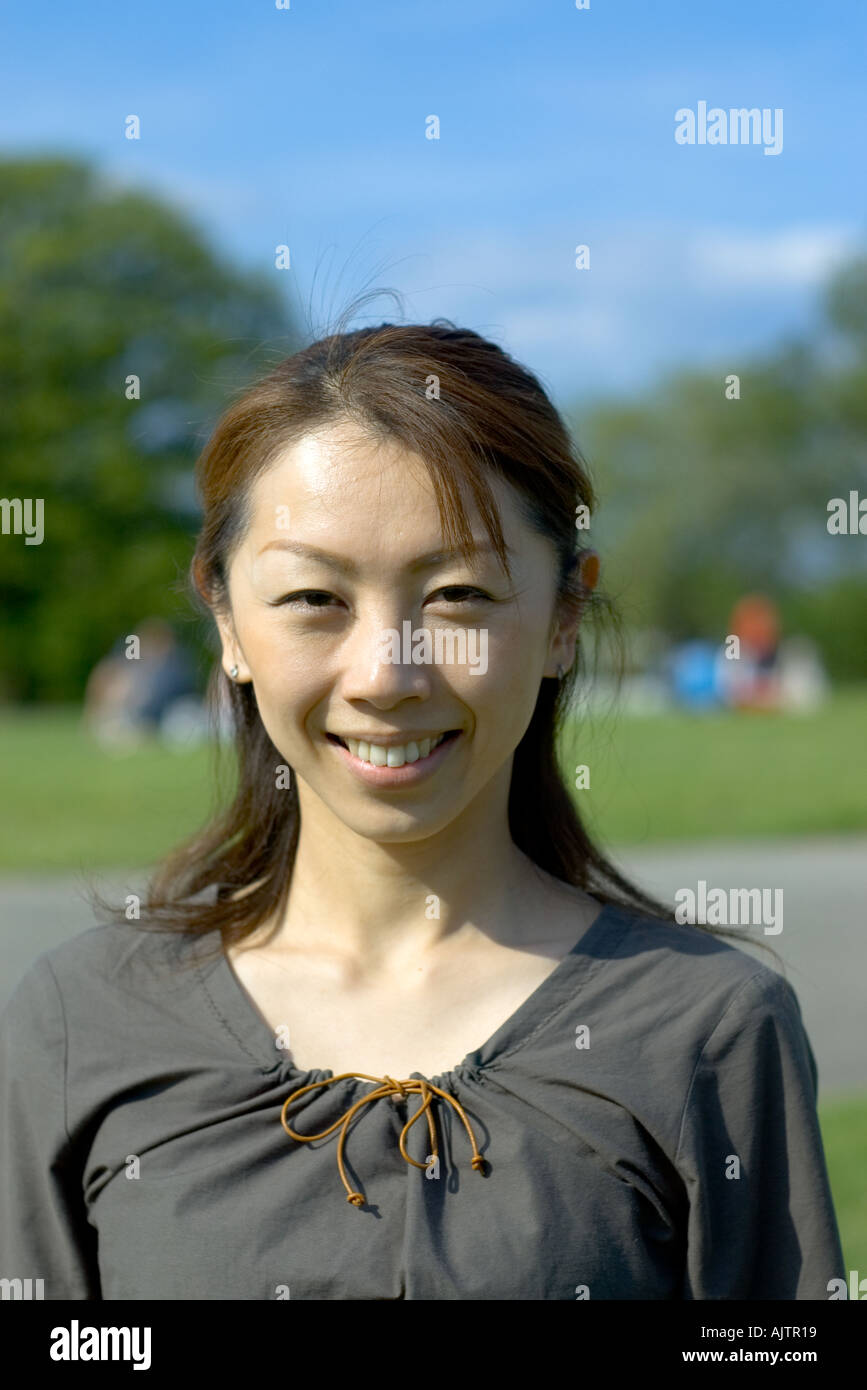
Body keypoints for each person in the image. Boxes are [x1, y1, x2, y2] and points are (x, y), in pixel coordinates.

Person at [0, 315, 846, 1301]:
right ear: (226, 619)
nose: (386, 676)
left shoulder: (710, 1030)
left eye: (456, 596)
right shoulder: (78, 1019)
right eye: (315, 597)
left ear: (565, 619)